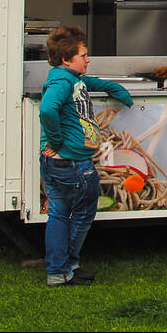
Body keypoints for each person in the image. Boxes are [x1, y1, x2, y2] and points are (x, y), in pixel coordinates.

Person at [39, 26, 134, 287]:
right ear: (66, 60)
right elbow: (47, 110)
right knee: (80, 213)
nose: (88, 59)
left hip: (62, 162)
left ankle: (63, 269)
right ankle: (63, 268)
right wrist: (57, 142)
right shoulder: (61, 82)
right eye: (83, 55)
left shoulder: (71, 79)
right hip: (71, 163)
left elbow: (92, 83)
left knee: (59, 212)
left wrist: (118, 90)